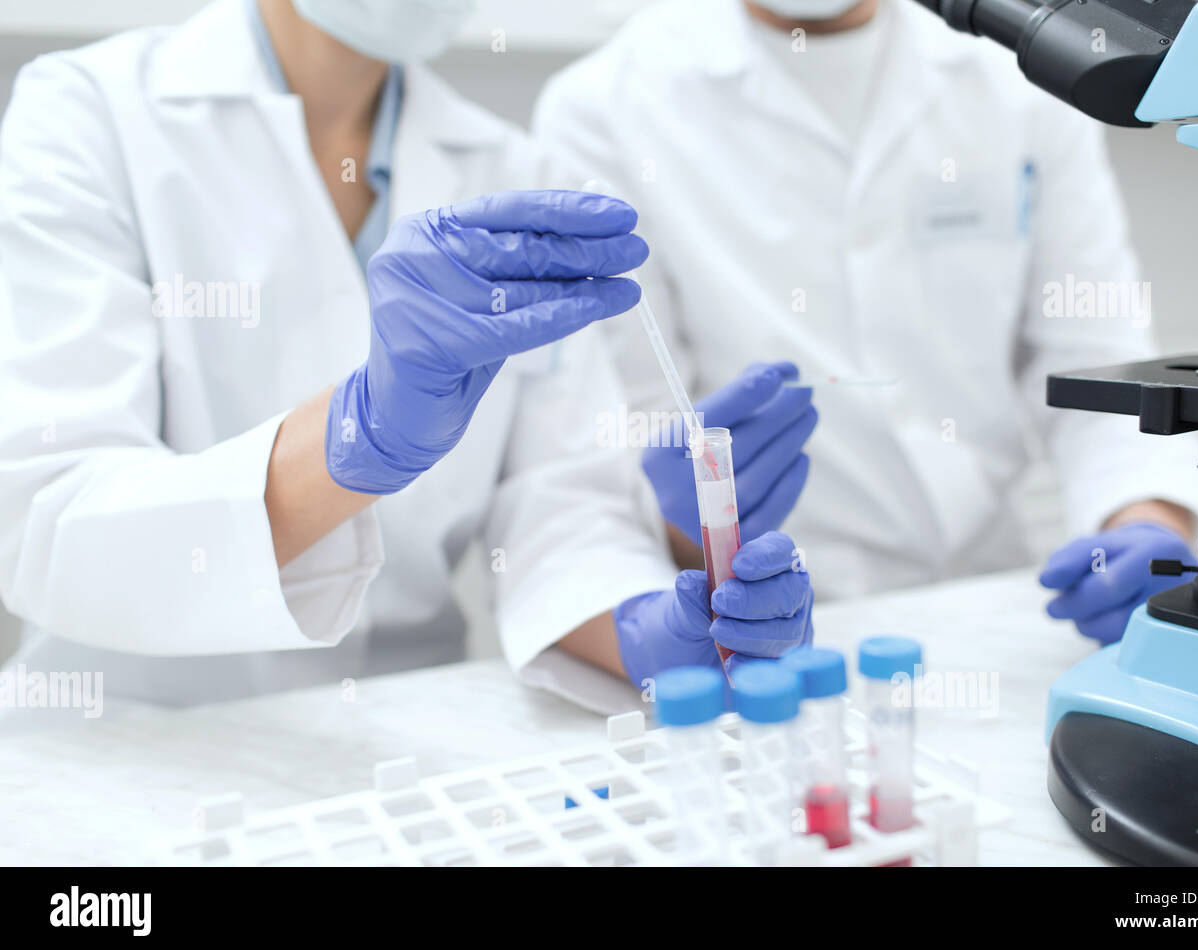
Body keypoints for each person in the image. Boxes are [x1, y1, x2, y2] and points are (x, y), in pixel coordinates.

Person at [0, 0, 813, 711]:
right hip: (130, 749)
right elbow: (43, 514)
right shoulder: (87, 116)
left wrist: (649, 631)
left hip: (401, 732)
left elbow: (558, 504)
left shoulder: (510, 168)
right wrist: (352, 440)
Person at [533, 0, 1198, 644]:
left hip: (996, 604)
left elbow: (1096, 356)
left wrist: (1148, 521)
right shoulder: (602, 109)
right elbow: (628, 440)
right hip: (768, 624)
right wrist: (692, 524)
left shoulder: (1020, 74)